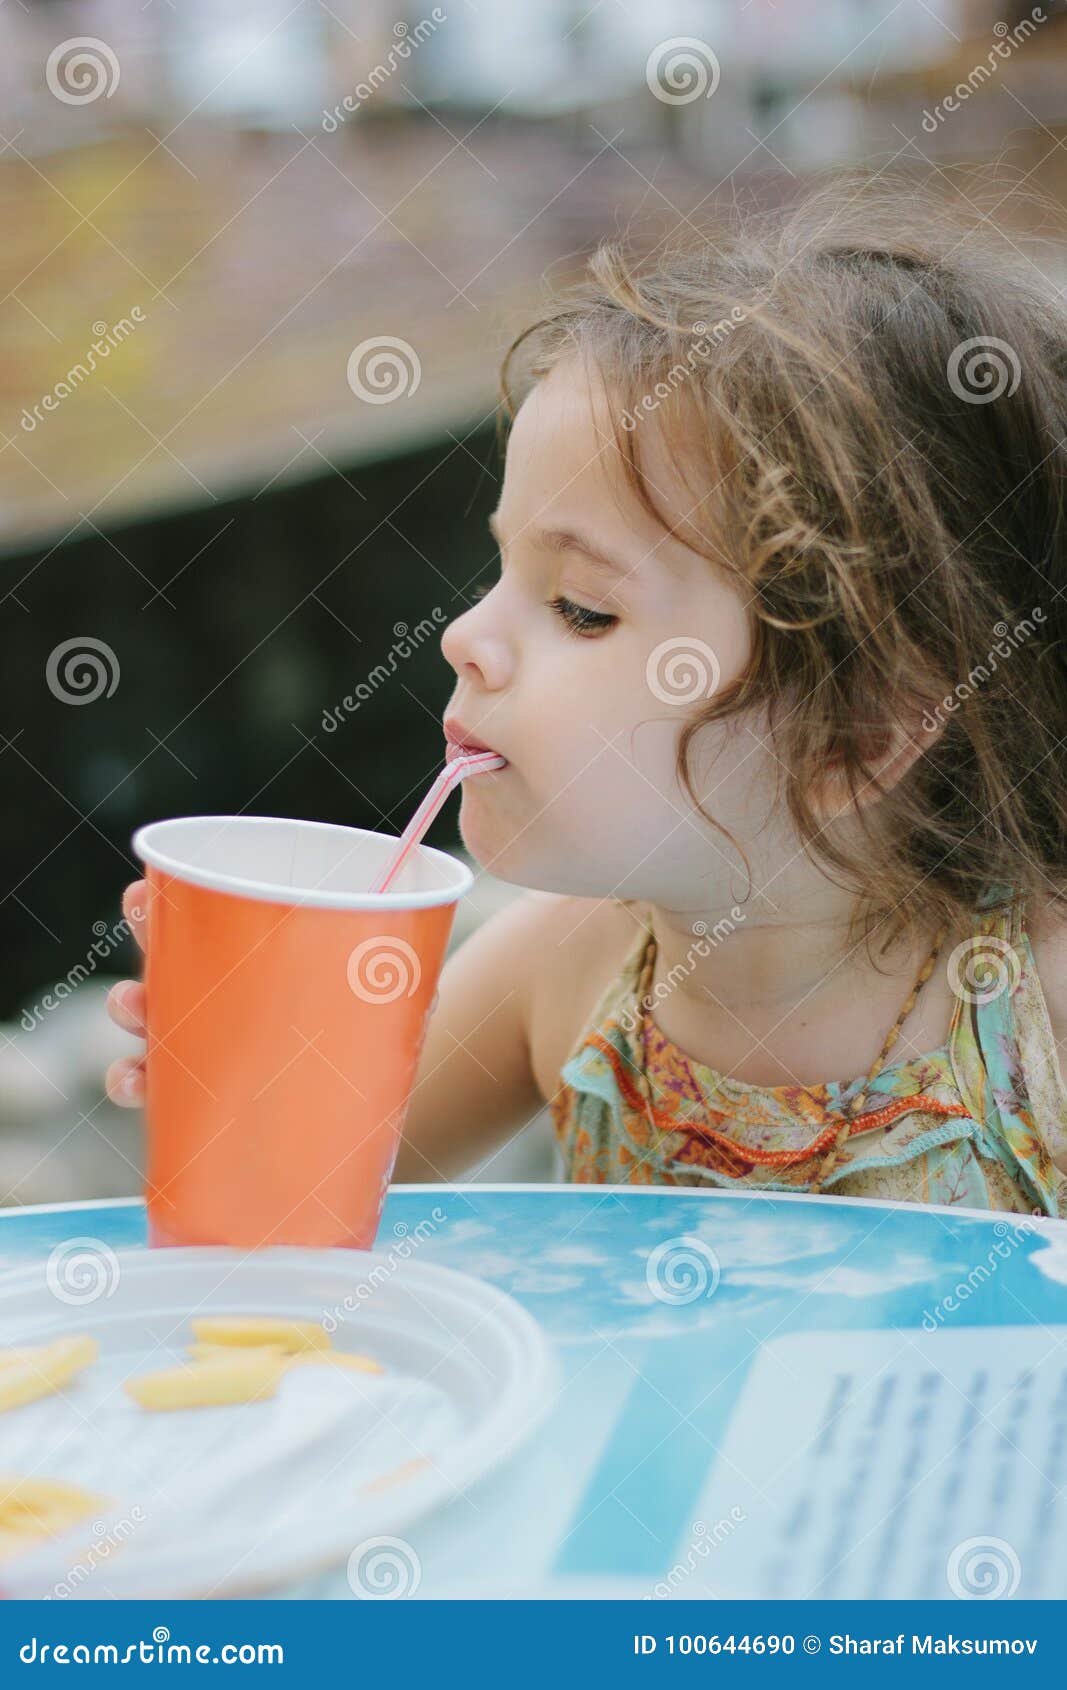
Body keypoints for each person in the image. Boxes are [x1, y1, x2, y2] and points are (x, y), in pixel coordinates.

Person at [106, 177, 1067, 1215]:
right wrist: (240, 1072)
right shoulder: (565, 967)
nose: (466, 638)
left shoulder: (1030, 1005)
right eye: (502, 570)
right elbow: (284, 1217)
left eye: (577, 608)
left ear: (852, 735)